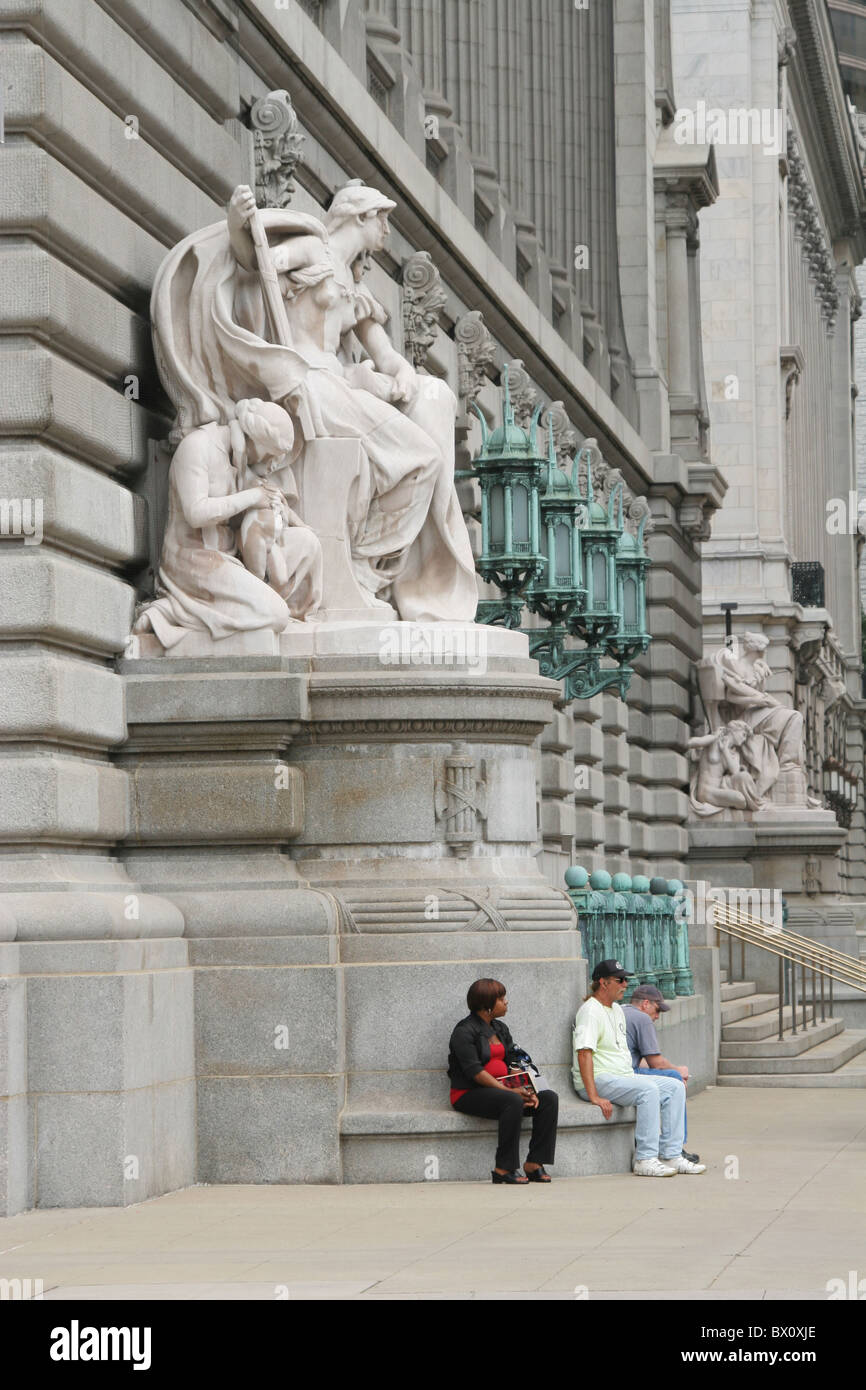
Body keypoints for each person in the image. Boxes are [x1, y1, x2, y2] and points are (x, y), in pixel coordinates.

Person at [572, 959, 705, 1177]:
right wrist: (593, 1095)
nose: (625, 984)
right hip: (599, 1079)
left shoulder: (615, 1010)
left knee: (674, 1086)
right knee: (648, 1090)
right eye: (620, 980)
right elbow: (584, 1053)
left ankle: (672, 1154)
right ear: (603, 983)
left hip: (620, 1077)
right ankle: (645, 1159)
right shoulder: (590, 1011)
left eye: (626, 979)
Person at [448, 979, 559, 1184]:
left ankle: (534, 1163)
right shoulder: (464, 1031)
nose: (506, 1002)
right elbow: (474, 1072)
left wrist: (527, 1090)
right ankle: (503, 1169)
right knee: (512, 1101)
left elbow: (512, 1064)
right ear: (486, 1004)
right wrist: (509, 1092)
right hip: (468, 1093)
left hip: (504, 1091)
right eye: (501, 999)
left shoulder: (500, 1028)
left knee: (548, 1098)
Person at [623, 984, 701, 1165]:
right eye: (657, 1010)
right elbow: (655, 1062)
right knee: (674, 1080)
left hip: (617, 1071)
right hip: (623, 1074)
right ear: (645, 1004)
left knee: (669, 1077)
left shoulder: (622, 1011)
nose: (657, 1016)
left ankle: (666, 1143)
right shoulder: (642, 1018)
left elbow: (638, 1059)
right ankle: (675, 1147)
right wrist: (677, 1070)